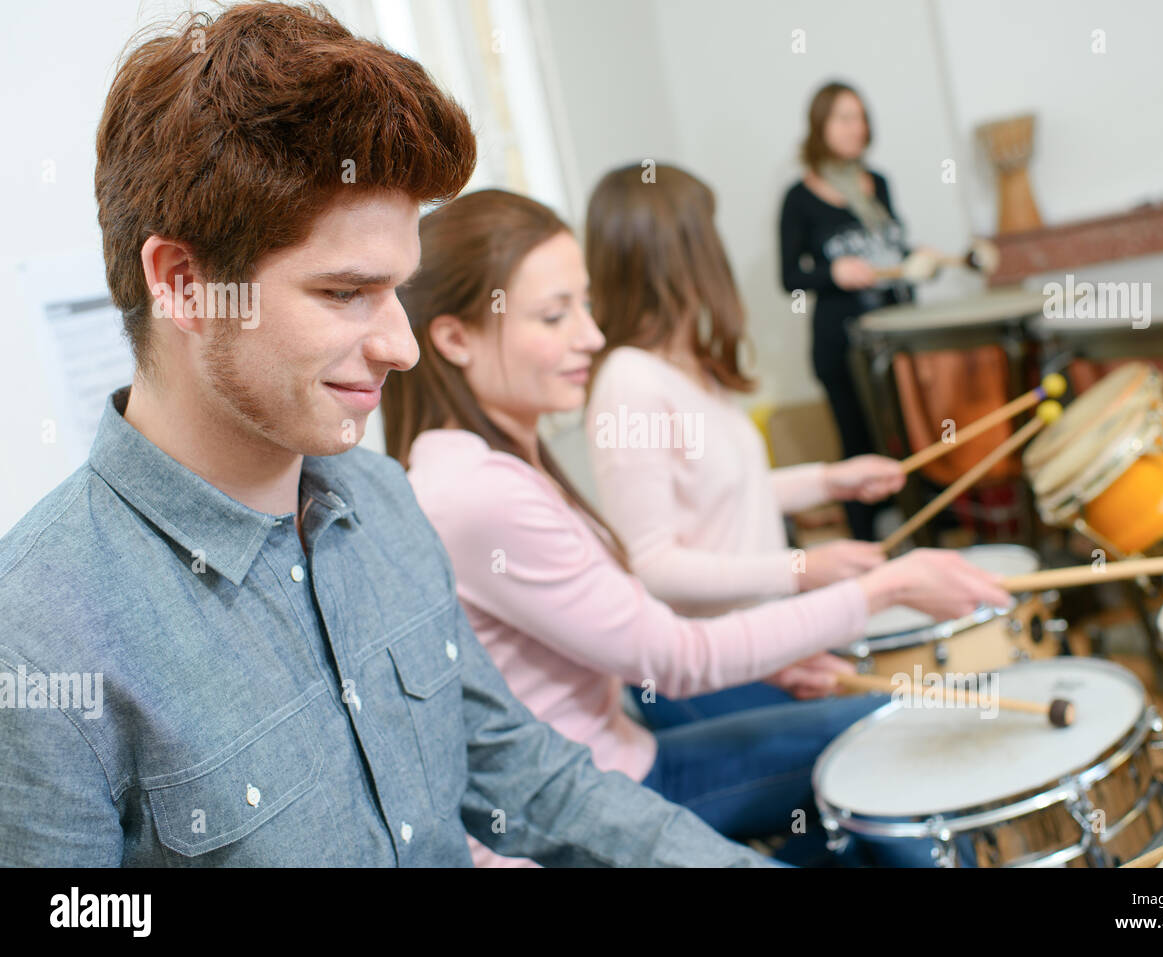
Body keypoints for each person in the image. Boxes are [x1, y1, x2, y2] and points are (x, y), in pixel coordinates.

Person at [0, 1, 773, 867]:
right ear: (184, 282)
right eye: (343, 293)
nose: (401, 346)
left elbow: (521, 777)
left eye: (399, 291)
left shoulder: (386, 504)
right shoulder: (35, 633)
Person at [381, 188, 1012, 866]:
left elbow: (635, 617)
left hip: (625, 758)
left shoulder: (495, 462)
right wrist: (881, 588)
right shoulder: (477, 489)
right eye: (554, 315)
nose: (590, 336)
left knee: (888, 755)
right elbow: (670, 653)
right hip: (596, 798)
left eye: (585, 306)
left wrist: (795, 617)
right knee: (897, 746)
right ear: (453, 338)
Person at [584, 162, 904, 726]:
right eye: (709, 232)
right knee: (889, 722)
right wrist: (800, 569)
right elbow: (652, 563)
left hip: (758, 647)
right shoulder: (629, 381)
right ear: (681, 251)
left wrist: (830, 480)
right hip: (707, 672)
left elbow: (725, 495)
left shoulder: (689, 365)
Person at [779, 81, 919, 542]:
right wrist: (832, 272)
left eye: (859, 116)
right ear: (820, 126)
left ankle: (921, 532)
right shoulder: (799, 198)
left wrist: (918, 263)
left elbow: (891, 251)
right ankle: (867, 547)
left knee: (906, 438)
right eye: (843, 117)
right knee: (857, 446)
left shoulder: (877, 183)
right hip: (841, 345)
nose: (854, 127)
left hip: (895, 338)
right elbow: (790, 278)